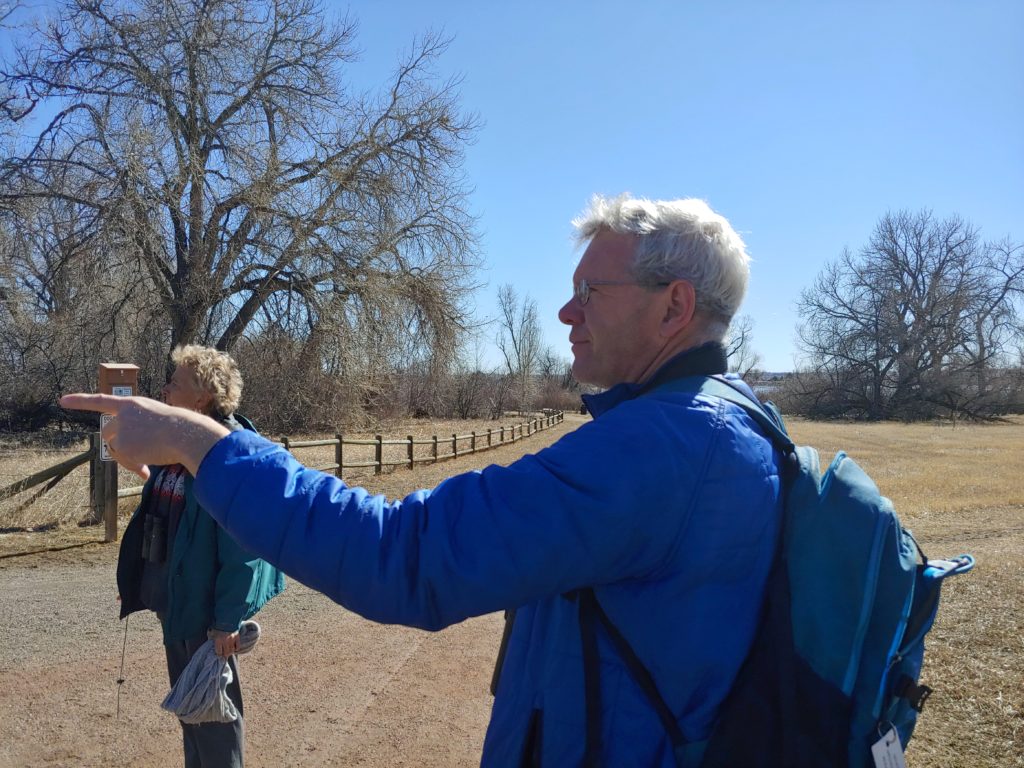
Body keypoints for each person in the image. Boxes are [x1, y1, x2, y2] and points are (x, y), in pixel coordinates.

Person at [66, 195, 781, 767]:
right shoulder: (721, 428)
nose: (567, 312)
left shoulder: (659, 450)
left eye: (590, 291)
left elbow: (406, 556)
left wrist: (205, 445)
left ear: (674, 306)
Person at [114, 345, 285, 768]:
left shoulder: (226, 454)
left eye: (177, 382)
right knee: (192, 709)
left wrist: (227, 620)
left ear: (202, 397)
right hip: (175, 604)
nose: (166, 388)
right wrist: (137, 581)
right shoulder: (176, 447)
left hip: (206, 613)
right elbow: (158, 522)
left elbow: (244, 549)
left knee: (213, 715)